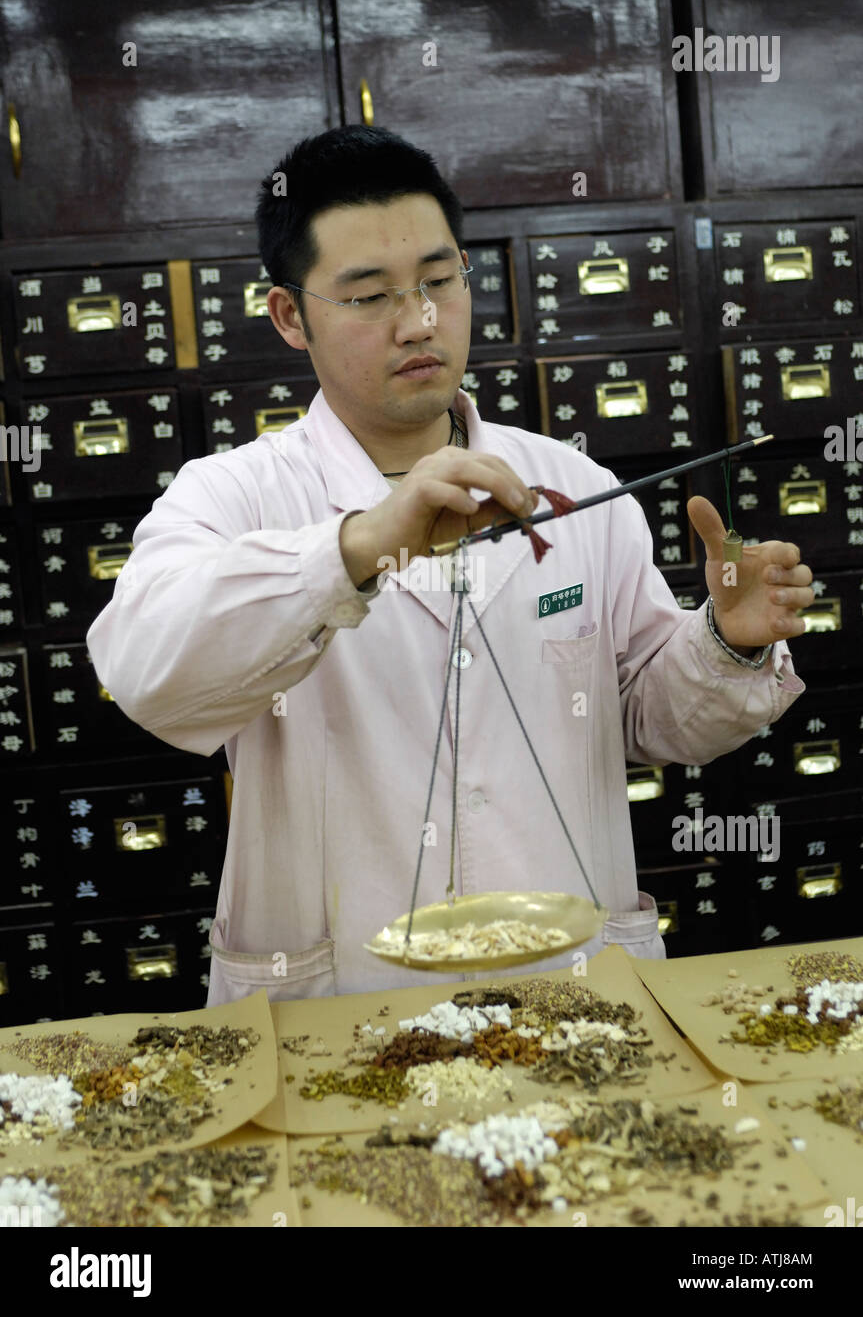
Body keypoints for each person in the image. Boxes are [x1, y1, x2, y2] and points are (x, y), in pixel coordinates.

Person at [86, 125, 812, 1007]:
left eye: (439, 282)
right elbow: (147, 674)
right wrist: (359, 545)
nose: (419, 321)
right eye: (369, 296)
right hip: (339, 1004)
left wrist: (723, 645)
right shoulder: (234, 495)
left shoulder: (572, 486)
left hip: (567, 991)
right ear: (289, 315)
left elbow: (652, 724)